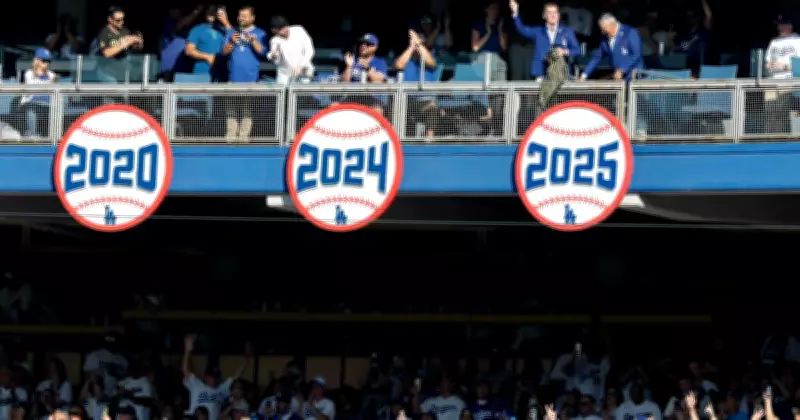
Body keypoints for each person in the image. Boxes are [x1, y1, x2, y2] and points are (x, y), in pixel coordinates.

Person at [183, 335, 253, 420]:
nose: (214, 379)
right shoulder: (196, 385)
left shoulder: (222, 389)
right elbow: (186, 370)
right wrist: (187, 350)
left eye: (216, 377)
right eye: (212, 377)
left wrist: (247, 360)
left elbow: (236, 376)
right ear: (206, 377)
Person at [222, 5, 266, 141]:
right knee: (231, 112)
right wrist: (231, 42)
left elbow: (263, 52)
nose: (241, 18)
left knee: (247, 111)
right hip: (233, 79)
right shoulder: (231, 32)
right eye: (240, 16)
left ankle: (243, 139)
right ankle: (230, 138)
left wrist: (252, 40)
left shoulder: (260, 33)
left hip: (250, 79)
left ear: (252, 17)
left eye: (244, 16)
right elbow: (224, 52)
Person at [509, 0, 581, 80]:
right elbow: (521, 29)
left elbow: (577, 50)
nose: (553, 15)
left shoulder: (567, 31)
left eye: (555, 12)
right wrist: (515, 13)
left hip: (561, 75)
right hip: (541, 74)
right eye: (549, 13)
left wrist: (565, 51)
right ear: (544, 15)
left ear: (559, 15)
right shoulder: (538, 31)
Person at [763, 14, 800, 134]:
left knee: (783, 113)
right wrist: (768, 65)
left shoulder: (797, 40)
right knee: (770, 113)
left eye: (782, 25)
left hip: (788, 80)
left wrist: (783, 66)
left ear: (790, 26)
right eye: (778, 25)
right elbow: (767, 61)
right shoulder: (774, 41)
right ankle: (770, 140)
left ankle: (782, 140)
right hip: (772, 80)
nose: (779, 28)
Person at [580, 13, 643, 81]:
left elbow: (636, 54)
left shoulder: (630, 32)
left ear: (612, 24)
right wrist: (584, 75)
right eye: (601, 29)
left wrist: (622, 69)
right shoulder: (604, 39)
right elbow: (596, 58)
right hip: (619, 78)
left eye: (603, 29)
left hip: (635, 76)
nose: (602, 32)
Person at [94, 6, 143, 82]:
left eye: (122, 19)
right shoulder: (104, 32)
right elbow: (106, 53)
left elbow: (135, 48)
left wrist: (137, 42)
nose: (121, 22)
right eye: (118, 20)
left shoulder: (125, 31)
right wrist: (123, 44)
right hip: (106, 70)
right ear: (110, 19)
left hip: (122, 69)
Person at [185, 5, 232, 81]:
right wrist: (207, 57)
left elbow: (238, 42)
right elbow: (189, 51)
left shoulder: (226, 30)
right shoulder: (197, 29)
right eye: (209, 10)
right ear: (205, 12)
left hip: (222, 76)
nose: (211, 13)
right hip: (202, 75)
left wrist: (226, 23)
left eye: (214, 11)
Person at [18, 48, 57, 139]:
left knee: (55, 108)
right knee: (32, 108)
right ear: (37, 60)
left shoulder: (51, 75)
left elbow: (53, 90)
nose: (46, 63)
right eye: (44, 60)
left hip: (46, 104)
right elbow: (32, 88)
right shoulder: (29, 73)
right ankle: (32, 134)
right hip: (31, 103)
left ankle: (51, 135)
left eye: (48, 61)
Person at [266, 15, 315, 85]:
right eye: (281, 28)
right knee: (283, 94)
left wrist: (301, 66)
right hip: (284, 74)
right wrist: (274, 56)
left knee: (302, 94)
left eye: (285, 26)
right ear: (274, 30)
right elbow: (277, 62)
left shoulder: (299, 30)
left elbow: (309, 50)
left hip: (305, 71)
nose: (285, 29)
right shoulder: (274, 41)